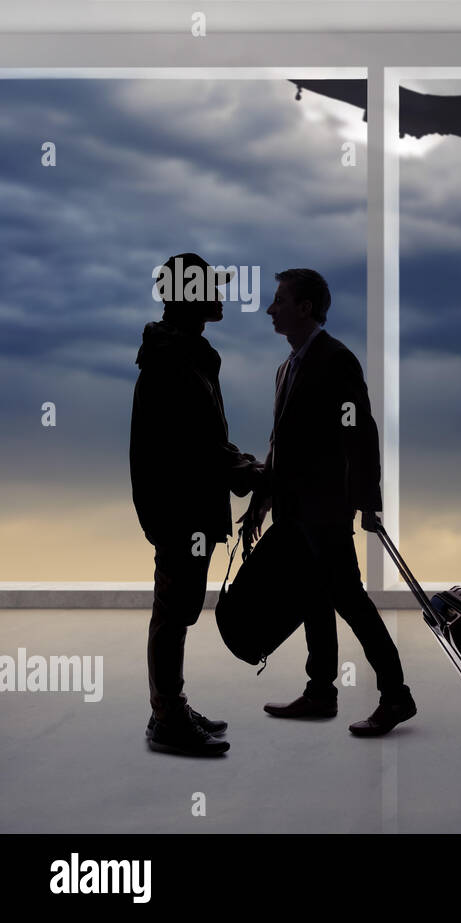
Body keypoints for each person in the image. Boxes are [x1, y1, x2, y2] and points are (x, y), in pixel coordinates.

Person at [242, 268, 416, 736]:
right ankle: (321, 692)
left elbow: (361, 432)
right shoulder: (288, 366)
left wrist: (368, 503)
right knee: (314, 597)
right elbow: (280, 442)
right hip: (296, 510)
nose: (269, 308)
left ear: (305, 307)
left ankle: (396, 696)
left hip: (326, 510)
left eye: (279, 300)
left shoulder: (335, 359)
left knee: (348, 599)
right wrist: (262, 500)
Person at [131, 252, 264, 756]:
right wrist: (249, 472)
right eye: (211, 286)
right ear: (191, 295)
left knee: (177, 610)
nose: (221, 293)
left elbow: (206, 441)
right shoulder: (175, 361)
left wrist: (243, 467)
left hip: (185, 508)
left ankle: (168, 707)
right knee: (175, 611)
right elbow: (197, 448)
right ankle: (167, 719)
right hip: (180, 511)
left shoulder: (182, 354)